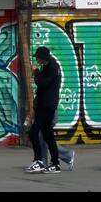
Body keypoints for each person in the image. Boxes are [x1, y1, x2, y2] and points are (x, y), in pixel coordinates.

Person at [25, 47, 64, 175]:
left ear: (43, 58)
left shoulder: (52, 68)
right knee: (48, 134)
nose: (36, 59)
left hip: (47, 105)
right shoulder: (49, 67)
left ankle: (39, 161)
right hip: (44, 104)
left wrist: (36, 72)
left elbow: (42, 82)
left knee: (33, 132)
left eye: (38, 57)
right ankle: (55, 164)